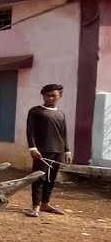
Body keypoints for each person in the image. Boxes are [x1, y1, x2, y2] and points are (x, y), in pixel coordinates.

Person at [26, 83, 73, 217]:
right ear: (43, 96)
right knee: (39, 178)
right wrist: (32, 148)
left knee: (51, 179)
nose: (50, 98)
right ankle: (35, 207)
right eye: (47, 95)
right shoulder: (35, 111)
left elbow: (63, 133)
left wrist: (67, 150)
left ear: (60, 96)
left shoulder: (60, 114)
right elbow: (30, 131)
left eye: (53, 95)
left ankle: (45, 204)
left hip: (58, 151)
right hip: (42, 151)